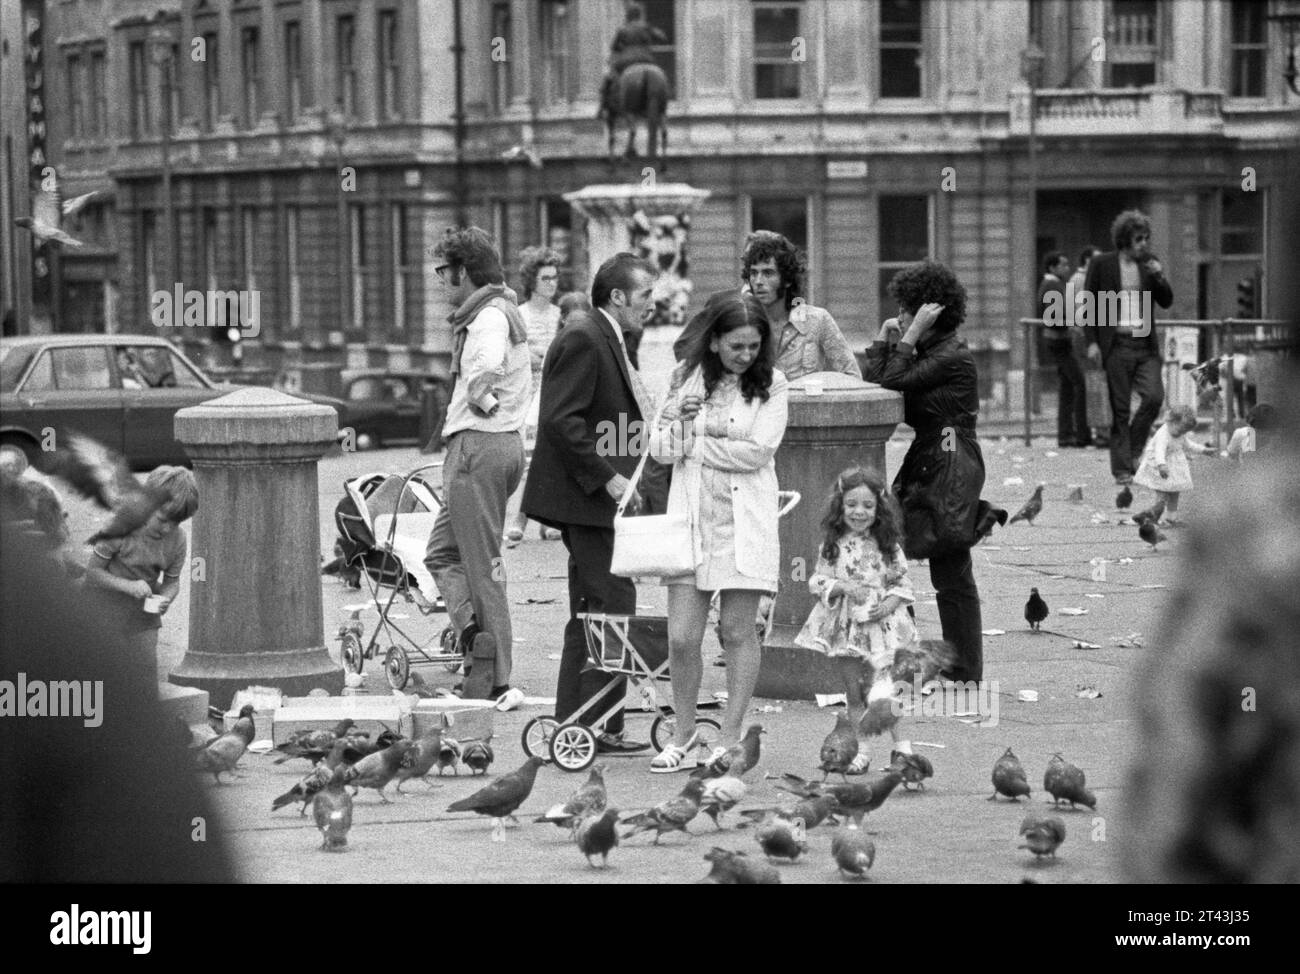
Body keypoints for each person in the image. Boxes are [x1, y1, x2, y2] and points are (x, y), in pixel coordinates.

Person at [522, 253, 661, 754]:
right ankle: (598, 727)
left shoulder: (602, 333)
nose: (652, 304)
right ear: (618, 297)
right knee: (613, 608)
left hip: (586, 502)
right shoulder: (585, 334)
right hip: (588, 501)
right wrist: (609, 479)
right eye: (645, 295)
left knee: (590, 612)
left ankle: (577, 724)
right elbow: (561, 419)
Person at [648, 289, 790, 772]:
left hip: (743, 525)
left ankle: (728, 736)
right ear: (714, 343)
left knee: (736, 631)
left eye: (754, 346)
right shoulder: (686, 379)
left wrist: (695, 441)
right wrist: (689, 432)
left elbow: (759, 453)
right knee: (682, 637)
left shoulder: (775, 385)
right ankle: (684, 734)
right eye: (736, 347)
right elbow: (662, 449)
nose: (746, 356)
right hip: (691, 523)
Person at [862, 260, 1001, 685]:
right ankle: (917, 657)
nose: (900, 315)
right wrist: (889, 338)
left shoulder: (951, 355)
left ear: (931, 312)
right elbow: (878, 383)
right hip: (932, 458)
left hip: (950, 461)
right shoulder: (933, 350)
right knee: (894, 551)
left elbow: (894, 382)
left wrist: (907, 335)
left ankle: (962, 668)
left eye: (908, 309)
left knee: (948, 562)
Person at [421, 227, 532, 702]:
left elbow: (483, 373)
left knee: (481, 565)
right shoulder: (504, 308)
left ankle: (496, 675)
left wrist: (481, 402)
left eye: (444, 270)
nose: (441, 280)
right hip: (500, 447)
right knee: (442, 554)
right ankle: (473, 639)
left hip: (478, 447)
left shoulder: (486, 317)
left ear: (465, 271)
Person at [794, 466, 916, 771]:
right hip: (846, 628)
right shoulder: (833, 546)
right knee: (854, 691)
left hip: (882, 629)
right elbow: (817, 581)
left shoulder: (889, 546)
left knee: (886, 691)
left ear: (880, 508)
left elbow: (902, 582)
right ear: (840, 506)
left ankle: (902, 748)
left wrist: (889, 603)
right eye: (851, 505)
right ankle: (861, 750)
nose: (858, 512)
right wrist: (840, 585)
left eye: (867, 506)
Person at [673, 230, 862, 381]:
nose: (758, 281)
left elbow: (851, 377)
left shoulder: (817, 320)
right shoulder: (738, 319)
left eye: (768, 273)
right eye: (753, 273)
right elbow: (689, 357)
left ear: (787, 279)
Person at [82, 465, 198, 684]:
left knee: (145, 668)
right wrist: (129, 586)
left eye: (176, 523)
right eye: (163, 520)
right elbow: (93, 574)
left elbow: (172, 582)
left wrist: (165, 599)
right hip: (103, 605)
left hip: (143, 611)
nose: (167, 529)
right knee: (106, 670)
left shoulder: (177, 540)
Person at [1083, 210, 1173, 486]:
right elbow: (1090, 304)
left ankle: (1134, 450)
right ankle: (1122, 469)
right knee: (1120, 410)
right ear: (1125, 239)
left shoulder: (1150, 264)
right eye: (1138, 239)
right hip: (1117, 345)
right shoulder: (1101, 264)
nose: (1144, 243)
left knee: (1154, 398)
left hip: (1145, 346)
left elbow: (1167, 301)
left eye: (1146, 238)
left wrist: (1159, 277)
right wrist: (1092, 342)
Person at [506, 246, 565, 548]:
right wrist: (531, 355)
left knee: (552, 457)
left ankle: (543, 519)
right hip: (527, 394)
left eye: (555, 277)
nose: (552, 284)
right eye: (546, 278)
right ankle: (524, 518)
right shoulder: (520, 314)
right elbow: (512, 353)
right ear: (532, 281)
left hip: (554, 393)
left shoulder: (560, 315)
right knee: (531, 460)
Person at [1038, 250, 1090, 447]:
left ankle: (1066, 434)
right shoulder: (1052, 285)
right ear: (1053, 267)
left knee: (1068, 387)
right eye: (1063, 265)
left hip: (1058, 341)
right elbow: (1053, 317)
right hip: (1059, 341)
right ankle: (1079, 433)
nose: (1067, 268)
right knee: (1079, 383)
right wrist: (1071, 324)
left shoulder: (1052, 284)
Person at [1131, 405, 1215, 525]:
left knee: (1175, 491)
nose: (1181, 433)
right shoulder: (1163, 434)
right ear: (1171, 421)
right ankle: (1154, 515)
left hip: (1173, 464)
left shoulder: (1179, 432)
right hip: (1160, 465)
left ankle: (1171, 517)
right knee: (1162, 492)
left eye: (1184, 432)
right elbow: (1159, 451)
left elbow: (1188, 444)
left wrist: (1203, 450)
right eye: (1180, 430)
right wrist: (1161, 465)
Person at [599, 2, 666, 118]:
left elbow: (614, 47)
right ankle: (663, 97)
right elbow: (662, 37)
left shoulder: (622, 29)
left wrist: (622, 48)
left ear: (628, 15)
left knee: (609, 78)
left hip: (626, 61)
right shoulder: (646, 27)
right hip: (646, 59)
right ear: (639, 15)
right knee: (660, 76)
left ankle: (603, 107)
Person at [1070, 246, 1105, 446]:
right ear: (1087, 261)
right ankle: (1101, 433)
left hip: (1078, 333)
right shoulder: (1087, 281)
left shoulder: (1074, 279)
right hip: (1087, 336)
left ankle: (1083, 433)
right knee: (1096, 384)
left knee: (1087, 385)